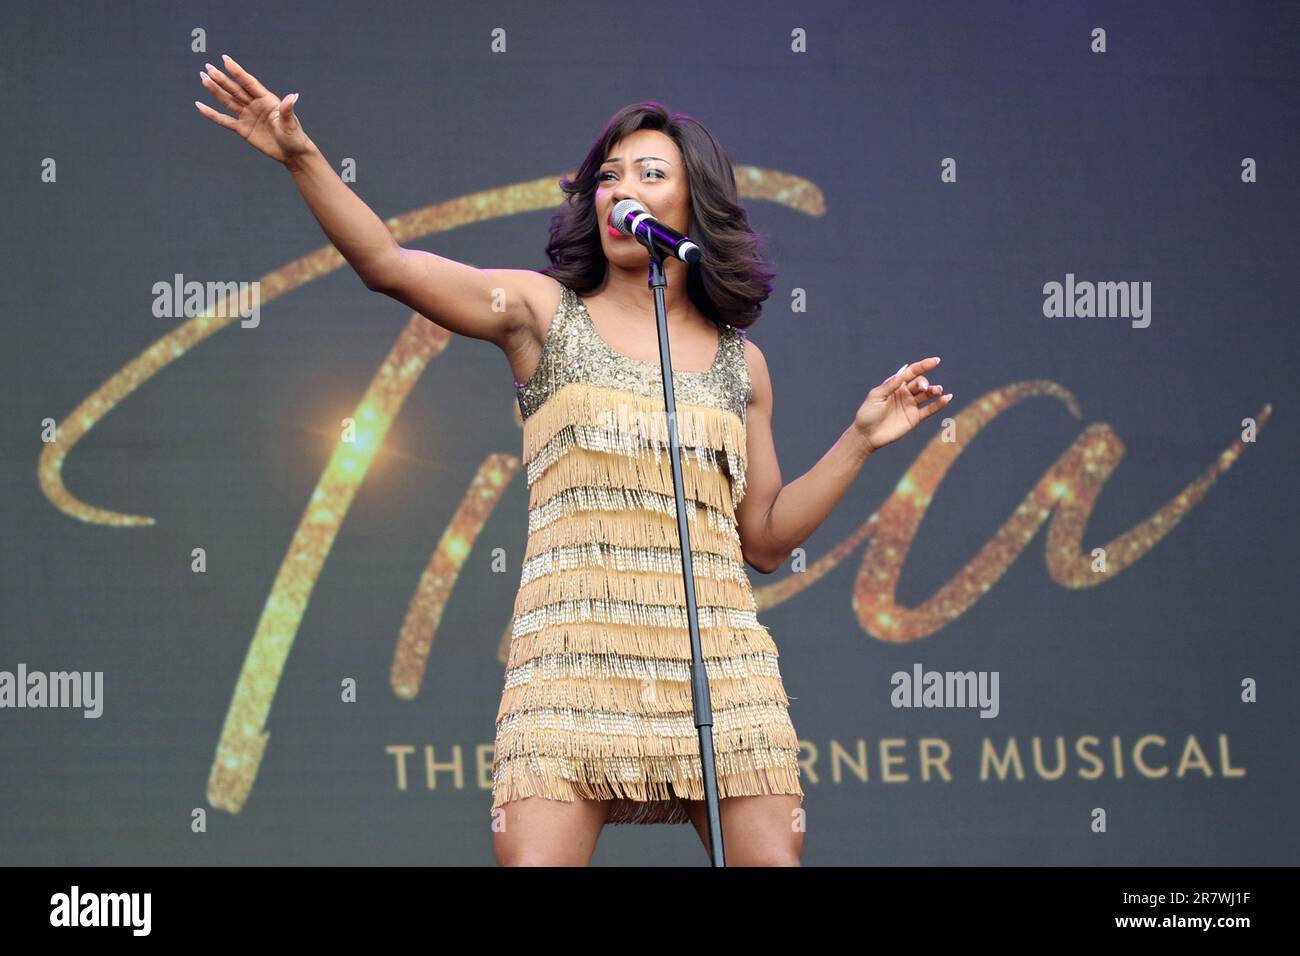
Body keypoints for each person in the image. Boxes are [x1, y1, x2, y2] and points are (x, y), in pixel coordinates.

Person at [196, 56, 952, 866]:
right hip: (571, 655)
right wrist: (304, 156)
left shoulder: (742, 366)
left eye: (649, 172)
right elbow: (388, 264)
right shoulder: (539, 314)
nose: (619, 187)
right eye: (607, 176)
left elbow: (763, 541)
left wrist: (863, 438)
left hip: (719, 662)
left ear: (692, 204)